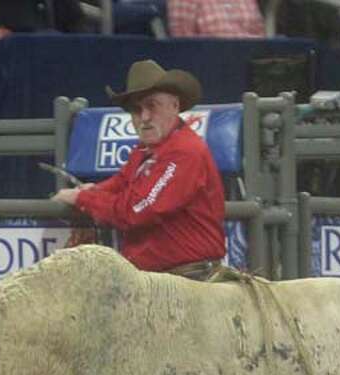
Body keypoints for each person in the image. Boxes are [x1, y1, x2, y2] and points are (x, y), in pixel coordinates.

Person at [50, 59, 225, 277]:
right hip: (167, 276)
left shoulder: (184, 152)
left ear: (175, 106)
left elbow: (135, 210)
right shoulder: (148, 149)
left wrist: (82, 199)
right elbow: (121, 183)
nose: (144, 117)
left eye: (152, 105)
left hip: (188, 277)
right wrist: (93, 191)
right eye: (136, 109)